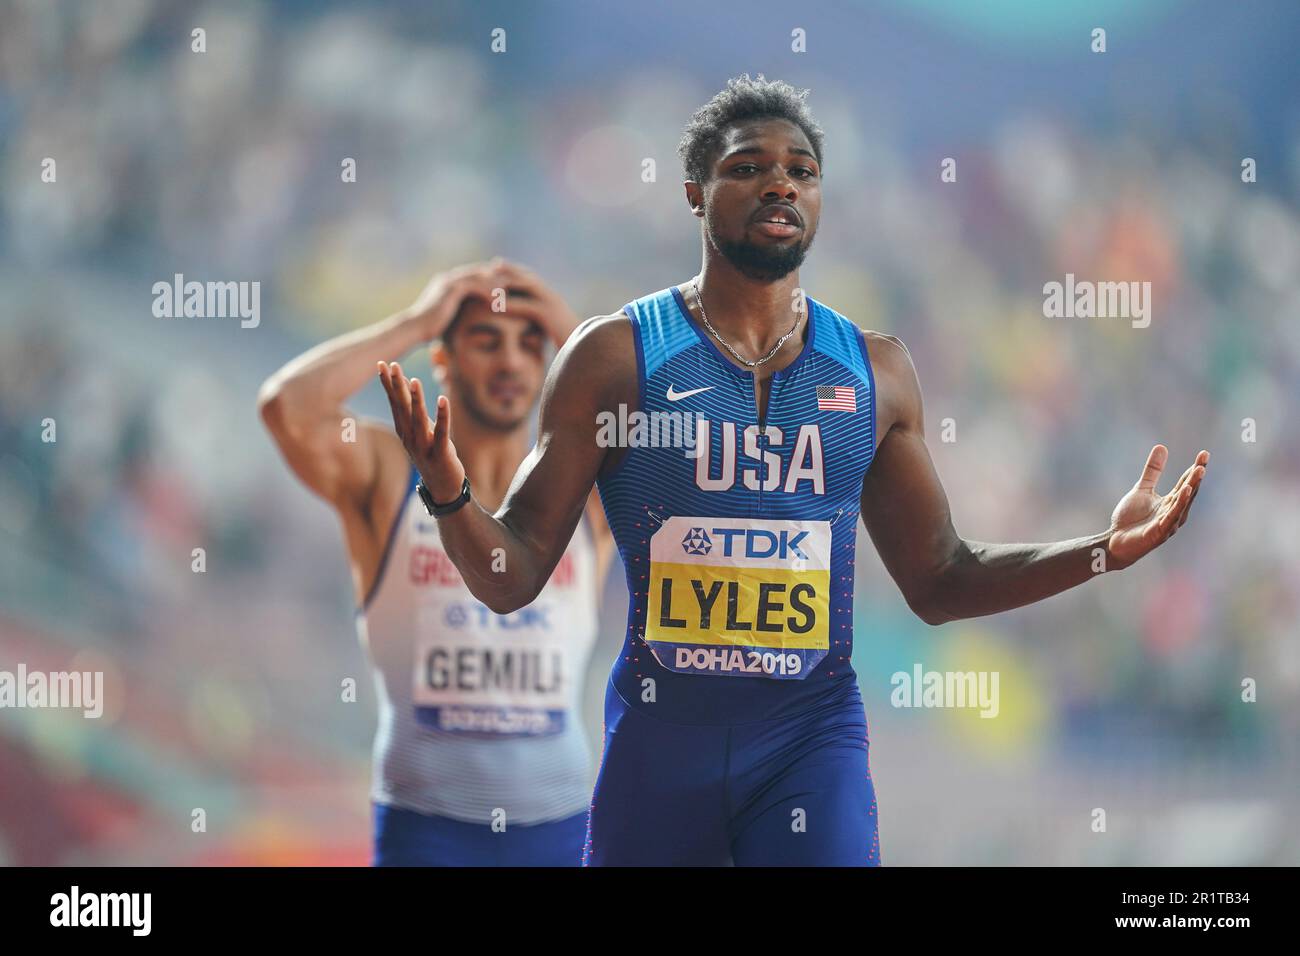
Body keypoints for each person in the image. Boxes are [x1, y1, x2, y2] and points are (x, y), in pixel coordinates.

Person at [376, 76, 1209, 866]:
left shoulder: (874, 372)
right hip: (662, 745)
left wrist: (1103, 549)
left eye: (801, 172)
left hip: (810, 743)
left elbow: (941, 581)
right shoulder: (617, 357)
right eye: (748, 169)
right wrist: (449, 494)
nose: (781, 185)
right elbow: (512, 574)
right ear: (695, 193)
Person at [260, 259, 612, 866]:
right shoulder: (390, 471)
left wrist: (578, 338)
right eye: (485, 341)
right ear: (442, 361)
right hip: (425, 834)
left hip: (557, 830)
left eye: (532, 346)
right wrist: (414, 323)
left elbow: (672, 441)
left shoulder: (585, 490)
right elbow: (287, 407)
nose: (510, 363)